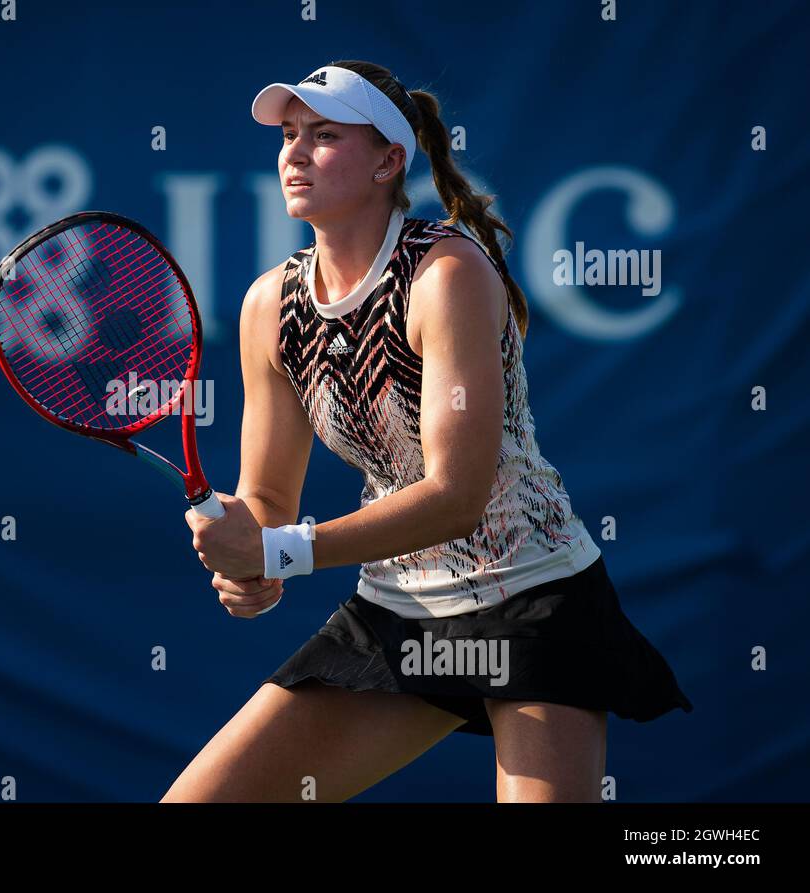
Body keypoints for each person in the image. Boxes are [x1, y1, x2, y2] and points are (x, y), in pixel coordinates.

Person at [163, 60, 692, 803]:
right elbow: (270, 497)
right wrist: (250, 556)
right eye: (288, 135)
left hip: (534, 599)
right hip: (399, 610)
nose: (294, 152)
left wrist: (279, 550)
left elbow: (456, 496)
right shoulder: (268, 306)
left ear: (389, 160)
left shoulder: (446, 275)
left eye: (323, 134)